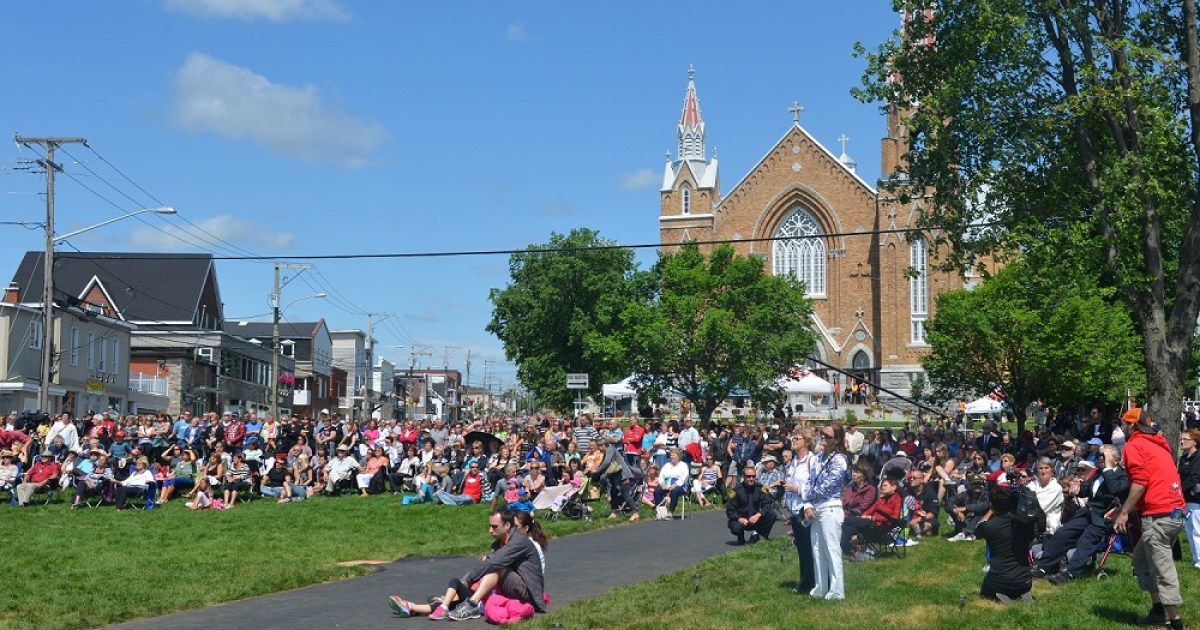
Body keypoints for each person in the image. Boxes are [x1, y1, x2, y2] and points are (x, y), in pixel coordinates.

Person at [387, 508, 547, 621]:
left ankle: (470, 605)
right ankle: (412, 607)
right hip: (508, 587)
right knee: (459, 597)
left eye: (494, 527)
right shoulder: (502, 542)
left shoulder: (519, 542)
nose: (490, 530)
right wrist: (465, 585)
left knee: (495, 568)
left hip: (528, 594)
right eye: (489, 526)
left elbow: (494, 563)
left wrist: (468, 579)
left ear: (507, 526)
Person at [1108, 407, 1187, 629]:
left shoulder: (1134, 445)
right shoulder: (1159, 445)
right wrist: (1124, 509)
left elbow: (1141, 483)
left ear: (1133, 426)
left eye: (1124, 424)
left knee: (1162, 568)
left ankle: (1176, 622)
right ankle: (1157, 611)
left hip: (1159, 516)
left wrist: (1124, 512)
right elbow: (1154, 483)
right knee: (1141, 559)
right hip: (1175, 513)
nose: (1122, 428)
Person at [1036, 446, 1128, 583]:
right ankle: (1044, 566)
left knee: (1086, 540)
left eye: (1104, 456)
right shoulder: (1099, 474)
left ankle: (1071, 573)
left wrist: (1108, 468)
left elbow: (1115, 490)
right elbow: (1087, 490)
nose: (1101, 459)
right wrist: (1078, 489)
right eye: (1100, 456)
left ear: (1115, 460)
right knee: (1063, 533)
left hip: (1106, 517)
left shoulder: (1122, 476)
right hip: (1088, 513)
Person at [804, 423, 851, 600]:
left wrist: (807, 495)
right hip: (816, 508)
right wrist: (807, 504)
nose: (822, 438)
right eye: (822, 434)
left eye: (827, 436)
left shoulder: (839, 460)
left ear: (837, 440)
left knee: (832, 550)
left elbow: (827, 486)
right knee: (817, 550)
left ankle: (837, 590)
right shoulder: (817, 458)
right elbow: (810, 480)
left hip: (831, 508)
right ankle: (820, 587)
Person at [977, 484, 1035, 603]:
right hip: (1025, 581)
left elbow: (977, 530)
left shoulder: (989, 526)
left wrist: (990, 511)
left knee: (985, 591)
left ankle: (1002, 595)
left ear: (992, 504)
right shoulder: (1024, 524)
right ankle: (1021, 593)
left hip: (1000, 581)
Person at [784, 429, 818, 594]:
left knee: (809, 549)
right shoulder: (793, 462)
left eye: (796, 438)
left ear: (807, 441)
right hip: (795, 510)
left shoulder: (812, 461)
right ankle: (805, 580)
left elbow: (816, 486)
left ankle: (810, 582)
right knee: (802, 549)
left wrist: (798, 489)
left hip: (807, 511)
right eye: (792, 437)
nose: (793, 440)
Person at [841, 477, 902, 560]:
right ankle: (844, 548)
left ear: (894, 487)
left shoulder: (897, 499)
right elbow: (871, 509)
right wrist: (864, 515)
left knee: (847, 520)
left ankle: (843, 548)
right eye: (882, 486)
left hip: (881, 526)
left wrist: (874, 517)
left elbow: (895, 516)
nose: (882, 487)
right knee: (849, 527)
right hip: (872, 523)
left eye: (885, 485)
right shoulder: (882, 499)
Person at [726, 464, 776, 544]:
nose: (751, 479)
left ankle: (759, 535)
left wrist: (758, 514)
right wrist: (739, 519)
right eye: (748, 476)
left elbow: (767, 504)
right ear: (744, 476)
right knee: (735, 527)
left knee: (772, 515)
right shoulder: (735, 490)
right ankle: (740, 537)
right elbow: (730, 510)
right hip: (741, 520)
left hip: (755, 519)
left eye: (753, 476)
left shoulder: (760, 488)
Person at [1179, 429, 1200, 569]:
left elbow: (1195, 478)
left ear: (1195, 442)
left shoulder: (1198, 458)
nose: (1182, 441)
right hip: (1185, 498)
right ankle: (1195, 559)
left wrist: (1179, 489)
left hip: (1196, 498)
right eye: (1182, 439)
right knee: (1189, 530)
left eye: (1186, 439)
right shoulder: (1184, 457)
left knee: (1197, 530)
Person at [655, 448, 689, 520]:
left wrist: (675, 484)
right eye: (671, 455)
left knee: (675, 491)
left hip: (680, 486)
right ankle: (661, 512)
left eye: (673, 455)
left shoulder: (683, 465)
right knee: (657, 491)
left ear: (678, 456)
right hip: (667, 485)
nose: (671, 457)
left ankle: (670, 513)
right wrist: (663, 484)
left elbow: (684, 478)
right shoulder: (667, 465)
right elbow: (661, 476)